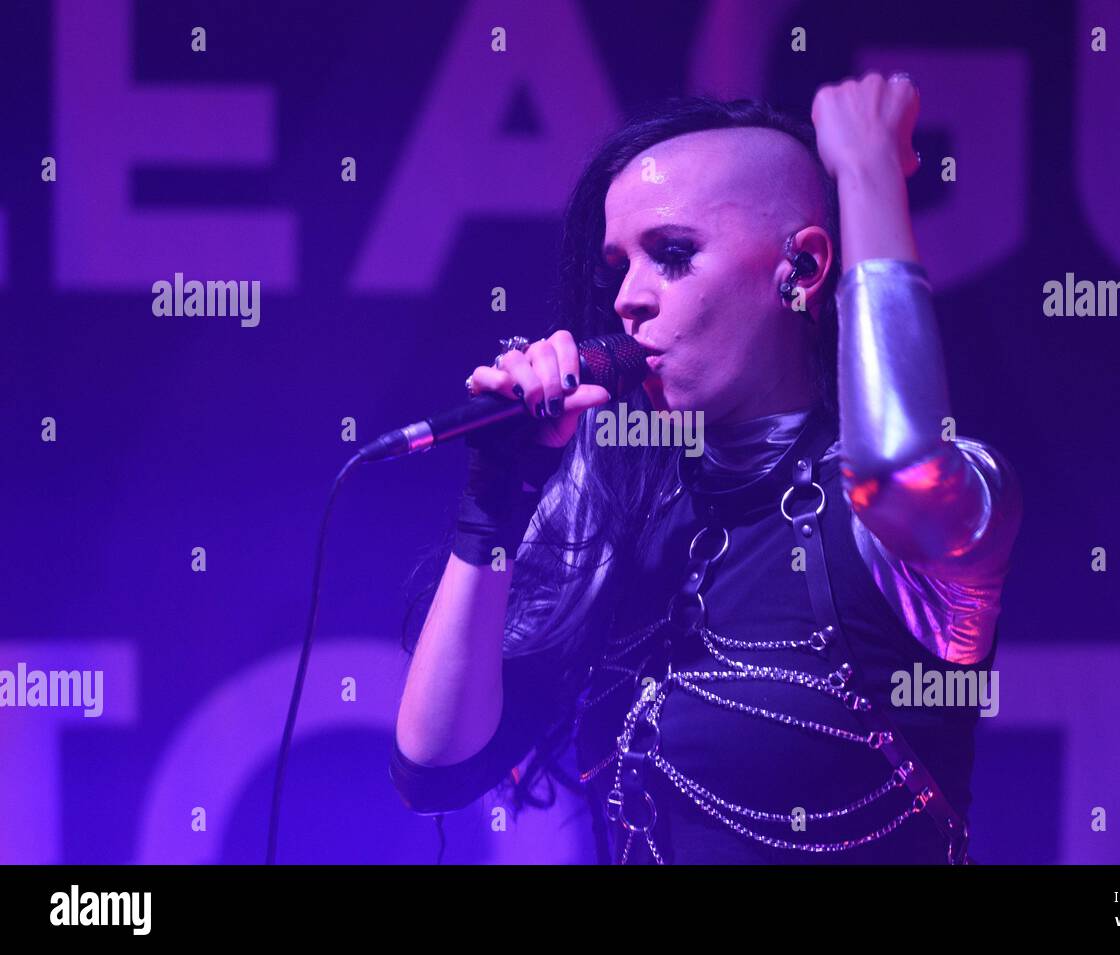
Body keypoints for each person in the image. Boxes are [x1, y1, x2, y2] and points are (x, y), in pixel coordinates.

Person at [391, 74, 1023, 864]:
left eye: (673, 255)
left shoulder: (928, 509)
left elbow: (893, 468)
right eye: (618, 265)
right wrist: (497, 500)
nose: (627, 299)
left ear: (803, 269)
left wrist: (867, 173)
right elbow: (433, 767)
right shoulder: (618, 505)